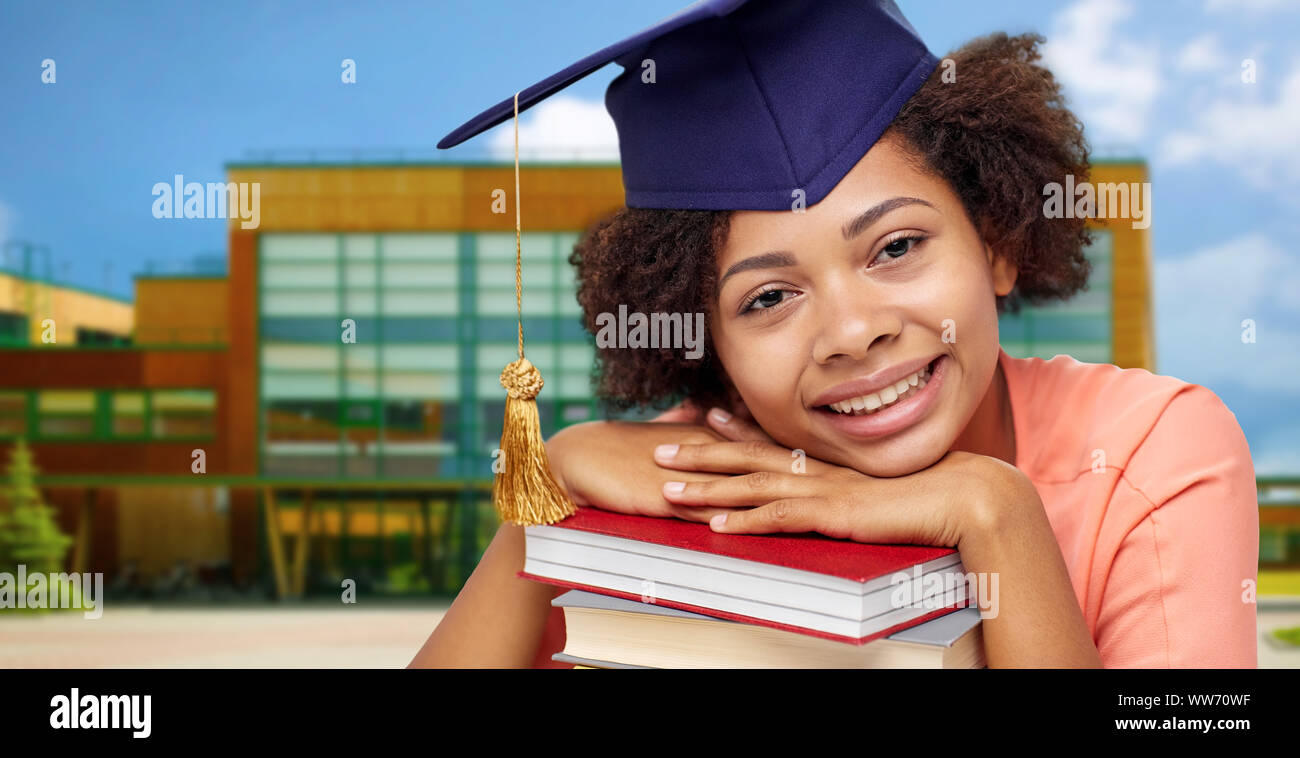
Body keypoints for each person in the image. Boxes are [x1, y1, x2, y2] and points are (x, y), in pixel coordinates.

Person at [408, 0, 1258, 668]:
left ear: (997, 242)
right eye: (769, 298)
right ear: (711, 350)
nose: (852, 333)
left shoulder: (1152, 456)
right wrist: (548, 502)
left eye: (897, 246)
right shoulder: (683, 484)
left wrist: (998, 515)